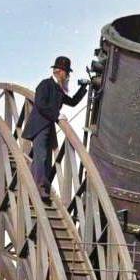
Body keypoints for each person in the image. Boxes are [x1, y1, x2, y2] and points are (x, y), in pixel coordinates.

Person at [21, 55, 89, 193]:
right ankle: (39, 188)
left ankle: (43, 188)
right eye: (67, 73)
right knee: (41, 157)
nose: (68, 76)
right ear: (60, 72)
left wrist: (83, 87)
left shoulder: (58, 89)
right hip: (39, 126)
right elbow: (40, 104)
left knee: (46, 159)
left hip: (48, 128)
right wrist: (56, 115)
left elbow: (73, 102)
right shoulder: (45, 84)